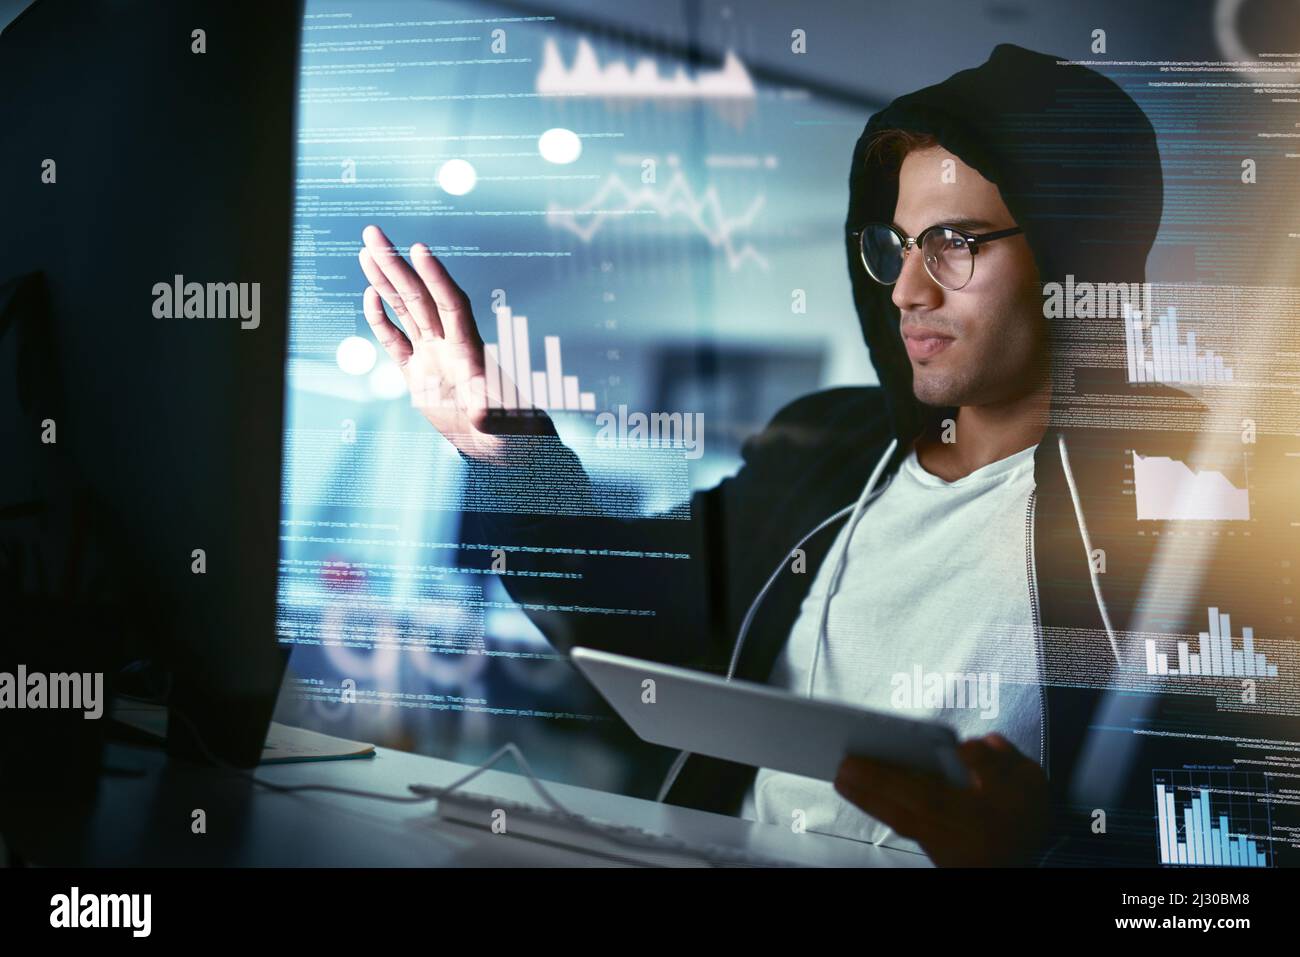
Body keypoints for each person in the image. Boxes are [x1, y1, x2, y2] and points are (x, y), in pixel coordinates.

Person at [355, 45, 1255, 866]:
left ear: (1076, 254)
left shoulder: (1199, 508)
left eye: (953, 243)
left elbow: (1236, 865)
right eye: (896, 245)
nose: (907, 288)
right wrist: (507, 446)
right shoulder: (827, 446)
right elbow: (632, 601)